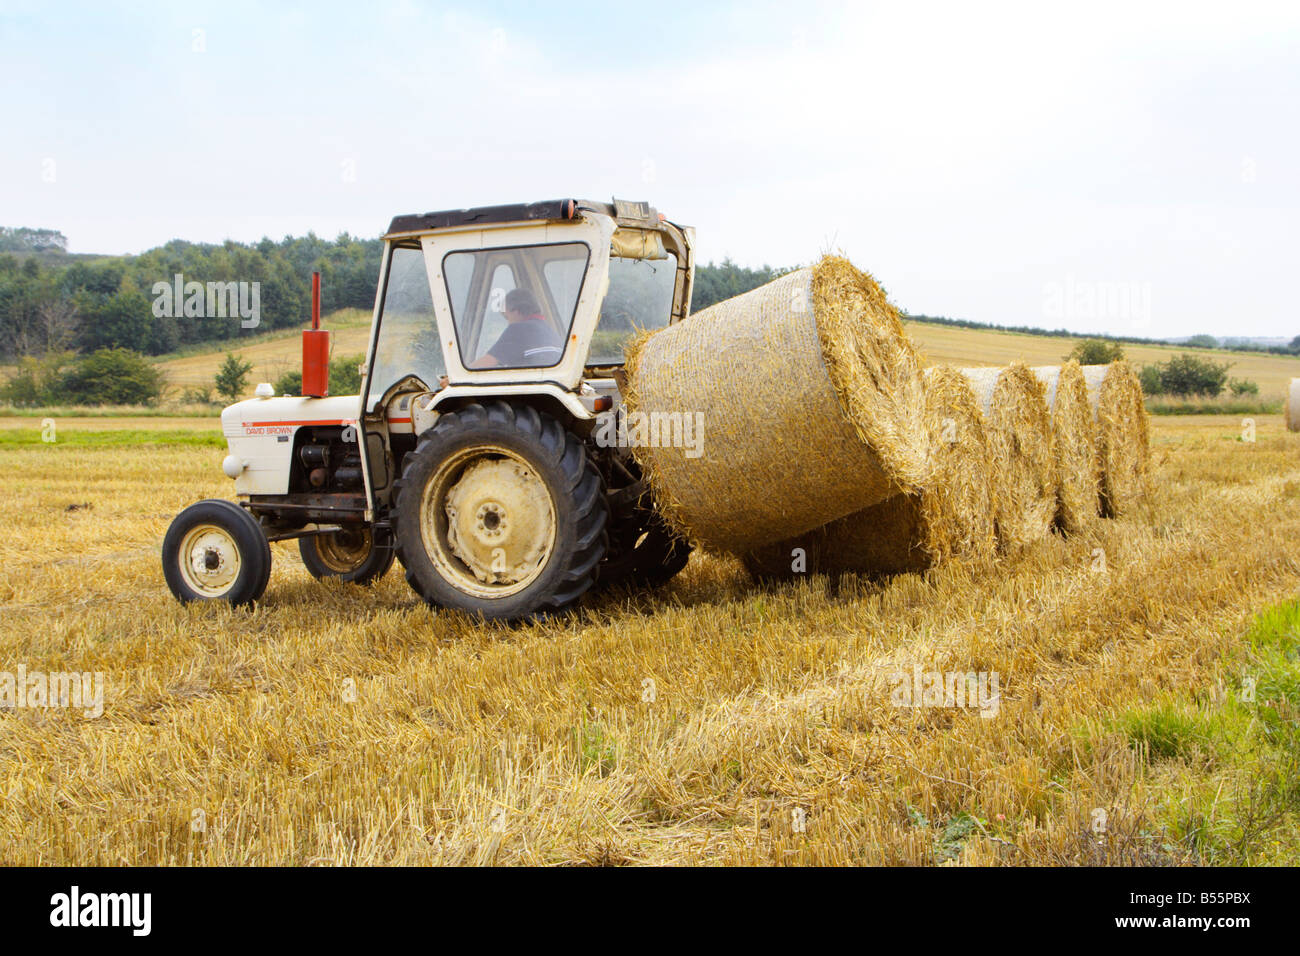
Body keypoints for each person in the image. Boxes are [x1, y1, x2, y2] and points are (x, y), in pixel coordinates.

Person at [467, 288, 564, 368]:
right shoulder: (550, 331)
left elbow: (485, 364)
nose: (508, 323)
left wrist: (463, 371)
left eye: (506, 317)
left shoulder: (518, 330)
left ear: (516, 312)